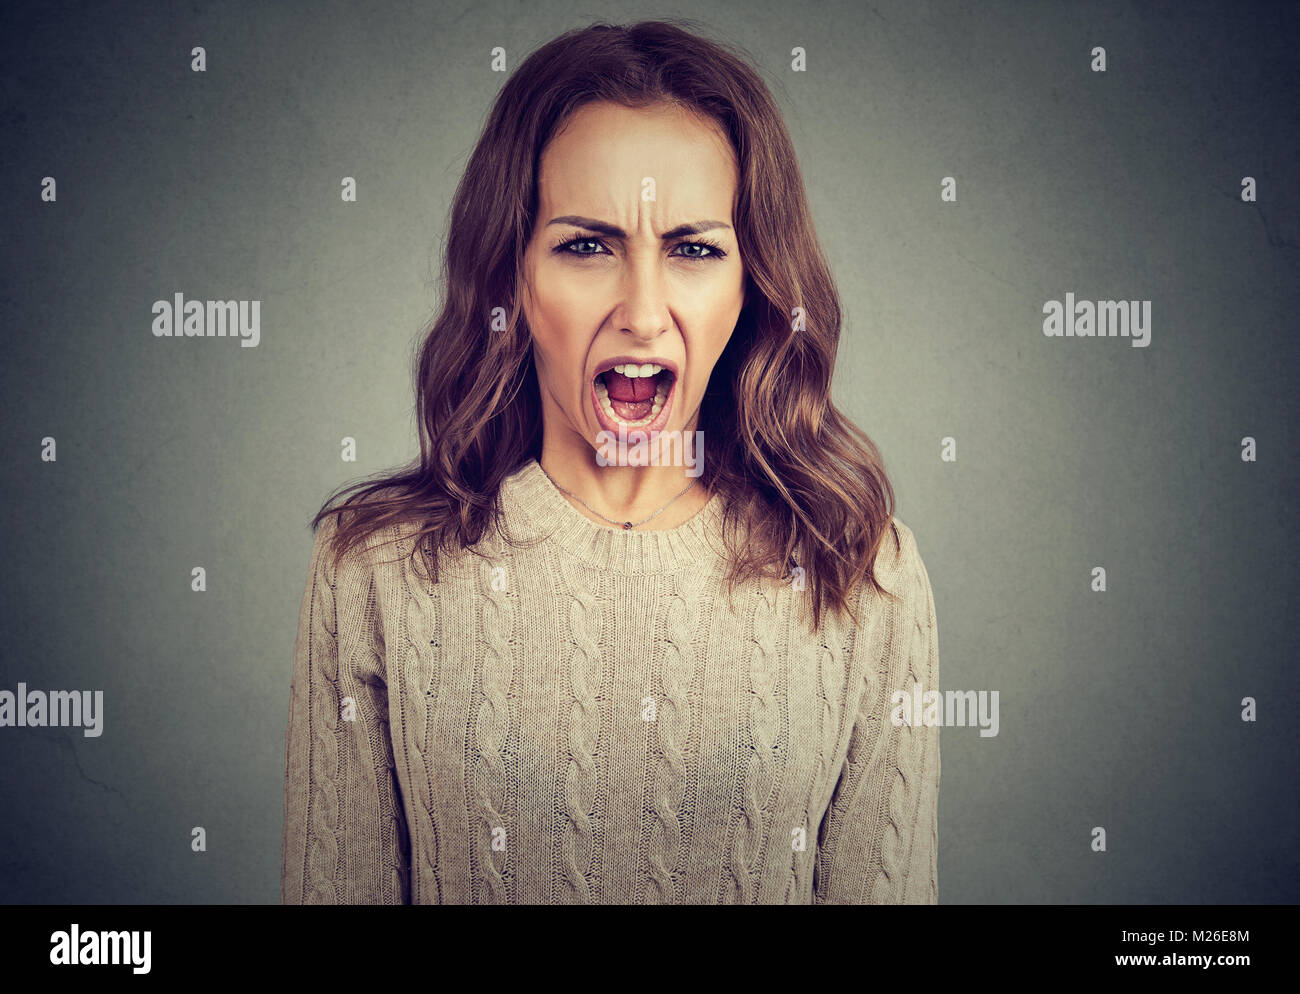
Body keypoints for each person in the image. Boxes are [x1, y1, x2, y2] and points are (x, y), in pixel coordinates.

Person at [281, 18, 939, 905]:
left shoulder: (860, 569)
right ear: (513, 278)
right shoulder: (375, 568)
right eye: (587, 246)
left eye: (694, 249)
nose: (641, 310)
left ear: (752, 287)